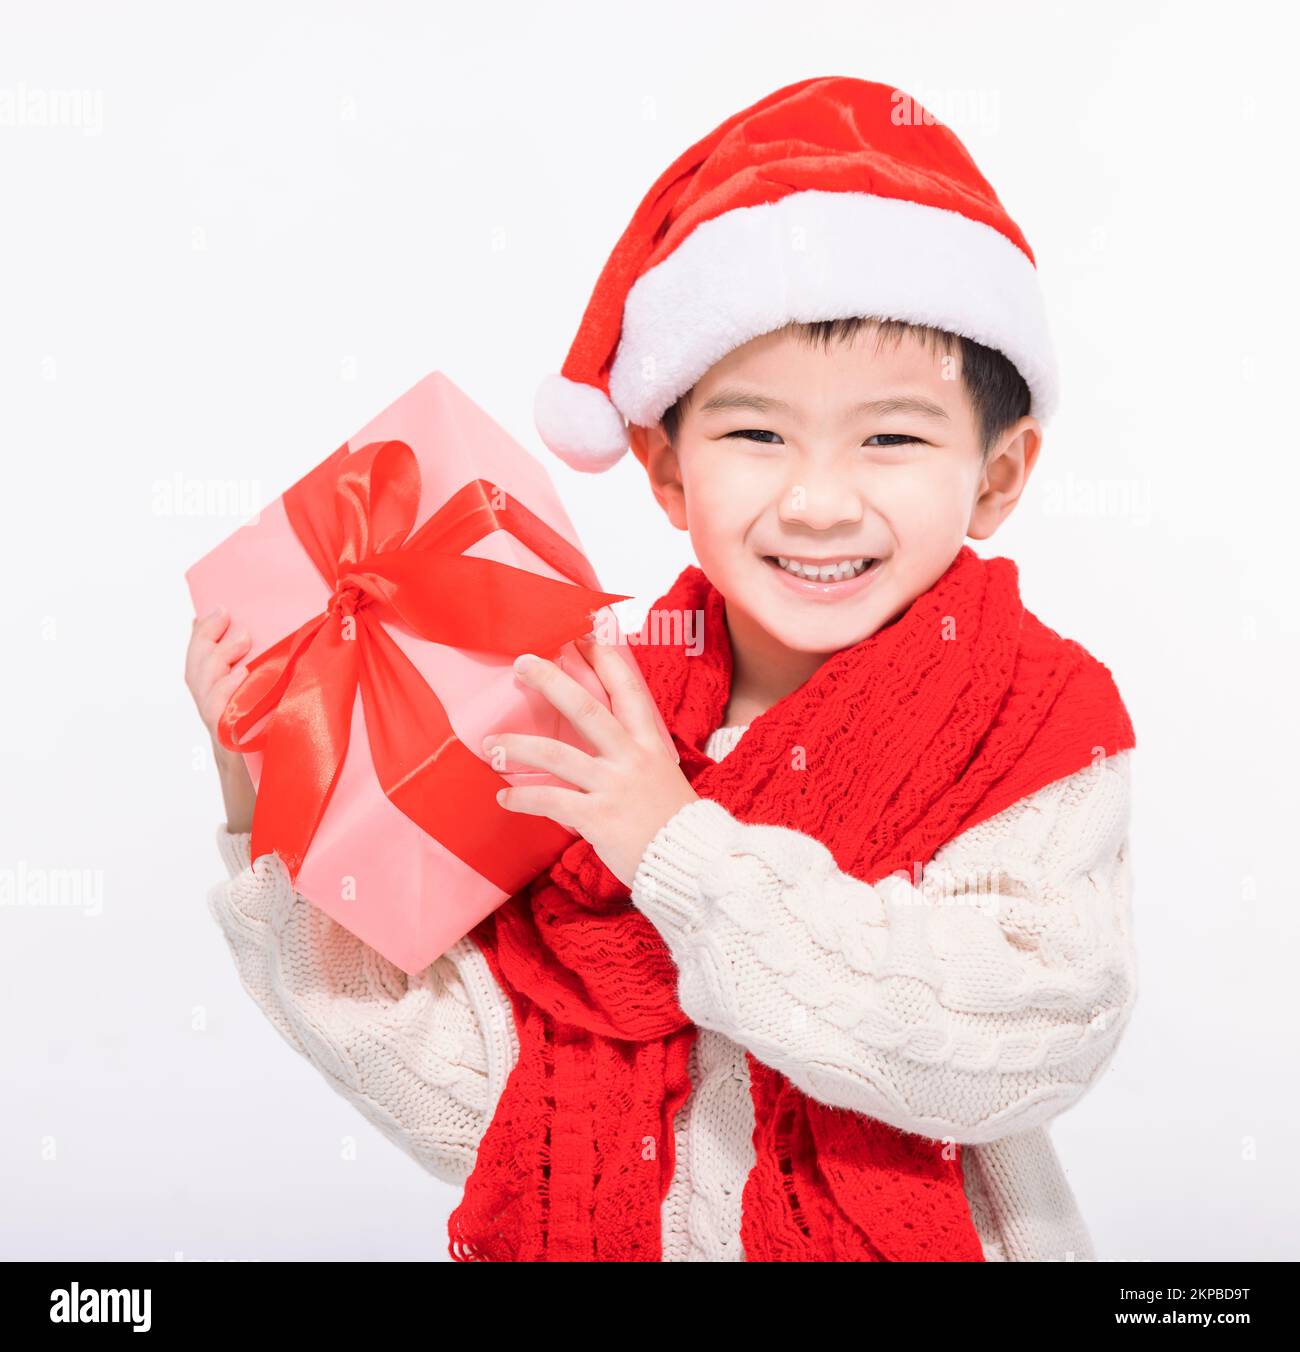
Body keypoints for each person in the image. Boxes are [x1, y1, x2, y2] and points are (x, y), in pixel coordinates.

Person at [186, 76, 1137, 1262]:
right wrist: (273, 795)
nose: (818, 499)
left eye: (892, 436)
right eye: (755, 433)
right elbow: (470, 1097)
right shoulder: (589, 706)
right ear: (666, 471)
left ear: (996, 477)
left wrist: (673, 849)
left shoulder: (1035, 717)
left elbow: (1029, 1027)